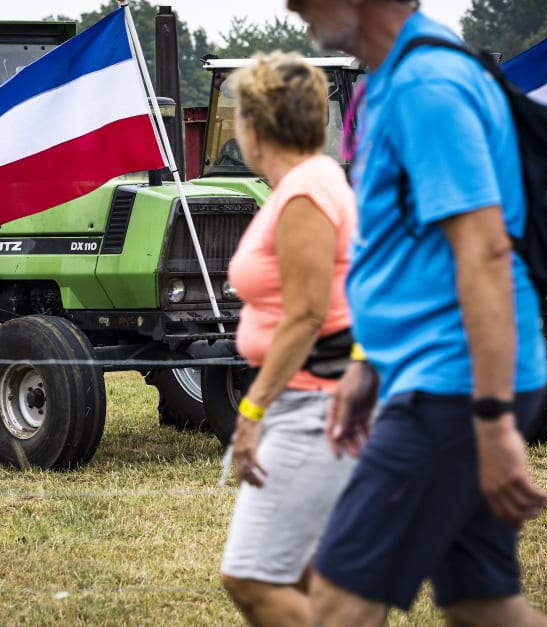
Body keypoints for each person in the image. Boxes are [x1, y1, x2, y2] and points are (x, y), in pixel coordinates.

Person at [284, 1, 547, 625]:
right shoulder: (391, 80)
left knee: (336, 606)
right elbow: (410, 252)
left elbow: (485, 250)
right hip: (432, 374)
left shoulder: (427, 85)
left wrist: (489, 420)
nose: (292, 4)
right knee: (486, 609)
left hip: (452, 385)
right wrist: (368, 362)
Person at [218, 51, 359, 627]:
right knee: (305, 577)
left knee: (251, 579)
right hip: (309, 402)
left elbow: (304, 315)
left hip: (311, 405)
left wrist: (251, 410)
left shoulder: (304, 193)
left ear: (254, 127)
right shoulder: (310, 182)